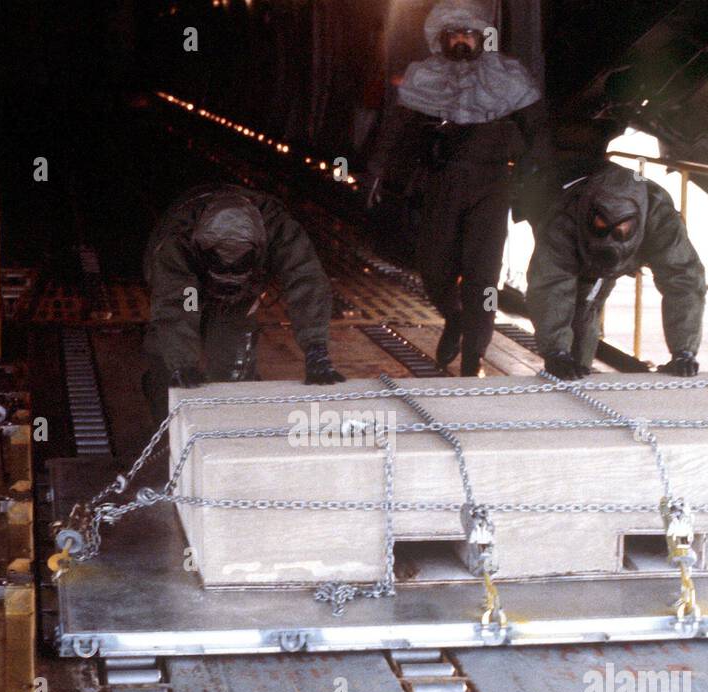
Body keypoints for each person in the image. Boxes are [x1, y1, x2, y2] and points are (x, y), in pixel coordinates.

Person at [367, 0, 554, 377]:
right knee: (433, 271)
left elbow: (538, 132)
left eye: (468, 33)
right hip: (441, 185)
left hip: (492, 186)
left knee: (482, 279)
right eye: (454, 34)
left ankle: (474, 356)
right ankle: (454, 319)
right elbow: (393, 131)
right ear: (441, 38)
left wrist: (541, 181)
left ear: (482, 37)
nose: (461, 40)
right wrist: (376, 173)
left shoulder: (509, 79)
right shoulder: (423, 79)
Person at [142, 184, 345, 417]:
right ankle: (167, 423)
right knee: (168, 363)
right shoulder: (176, 243)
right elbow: (176, 303)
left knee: (232, 363)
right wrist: (182, 362)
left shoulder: (279, 230)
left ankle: (233, 423)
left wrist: (315, 346)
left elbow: (305, 280)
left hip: (243, 295)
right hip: (190, 288)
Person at [527, 162, 705, 379]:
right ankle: (575, 369)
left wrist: (683, 351)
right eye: (603, 227)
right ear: (590, 214)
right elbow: (550, 285)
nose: (610, 241)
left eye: (621, 231)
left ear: (637, 220)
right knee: (582, 306)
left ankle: (579, 368)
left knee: (587, 305)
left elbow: (684, 280)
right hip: (579, 252)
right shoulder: (563, 221)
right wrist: (555, 351)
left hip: (628, 252)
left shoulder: (661, 218)